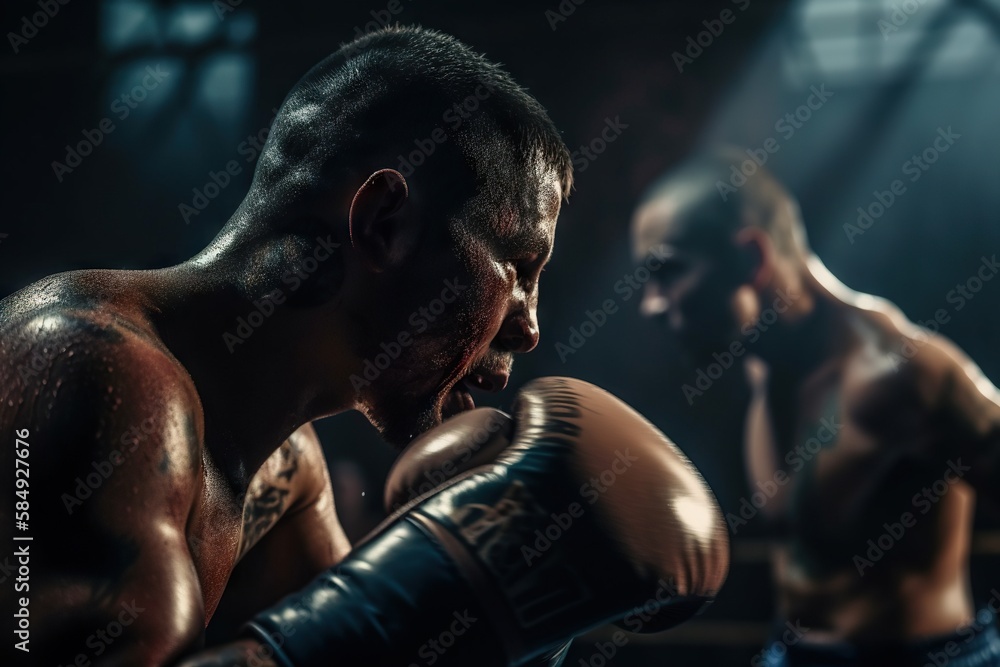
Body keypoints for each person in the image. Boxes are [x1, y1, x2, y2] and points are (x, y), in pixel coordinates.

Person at [0, 26, 572, 665]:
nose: (529, 327)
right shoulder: (92, 364)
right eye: (519, 268)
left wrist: (516, 615)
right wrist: (425, 601)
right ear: (385, 224)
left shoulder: (285, 463)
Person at [629, 148, 1000, 666]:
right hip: (792, 651)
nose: (652, 304)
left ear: (753, 258)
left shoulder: (906, 373)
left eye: (667, 271)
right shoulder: (761, 363)